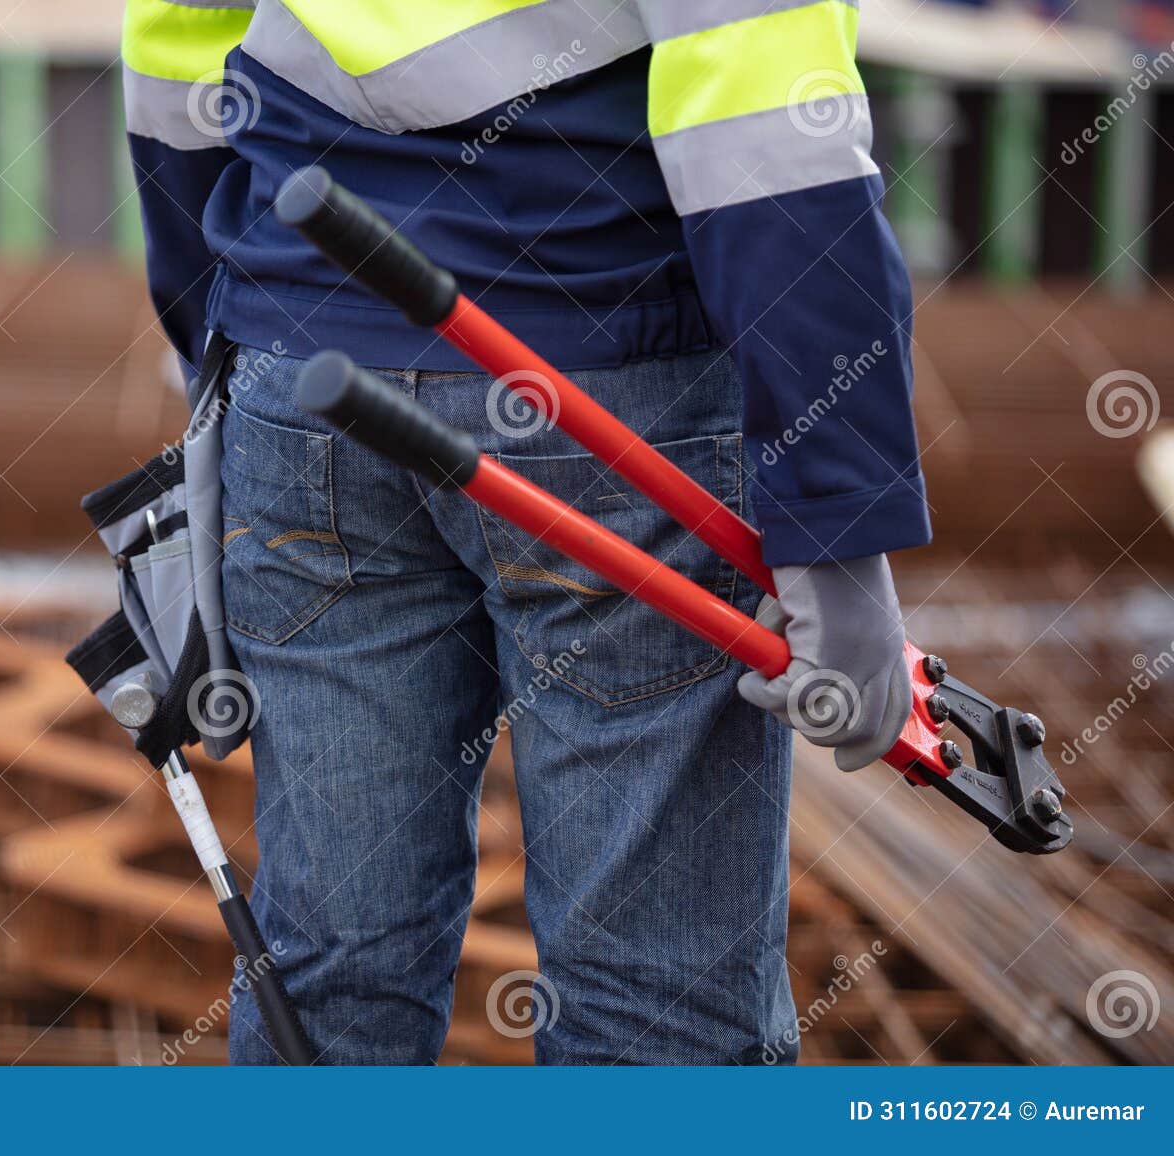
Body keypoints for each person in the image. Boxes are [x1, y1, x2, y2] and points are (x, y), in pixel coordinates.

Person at [120, 0, 928, 1064]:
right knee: (657, 1012)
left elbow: (179, 37)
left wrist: (215, 359)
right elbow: (766, 122)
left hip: (303, 357)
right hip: (611, 377)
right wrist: (836, 530)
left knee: (327, 975)